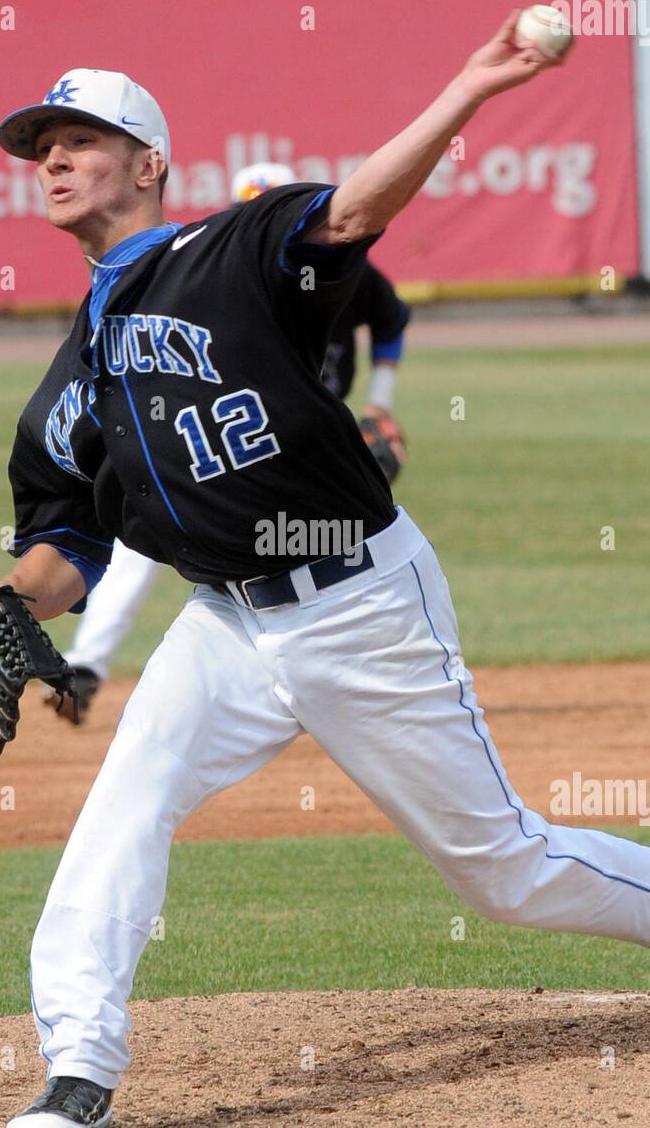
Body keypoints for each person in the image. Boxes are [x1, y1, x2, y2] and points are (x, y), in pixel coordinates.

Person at [0, 21, 650, 1128]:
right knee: (122, 809)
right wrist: (8, 599)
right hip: (225, 625)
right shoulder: (74, 371)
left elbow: (353, 211)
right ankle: (78, 1064)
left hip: (361, 607)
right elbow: (66, 541)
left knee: (501, 872)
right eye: (40, 143)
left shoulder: (230, 253)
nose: (53, 158)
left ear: (148, 166)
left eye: (83, 137)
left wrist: (471, 86)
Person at [43, 160, 411, 724]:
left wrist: (379, 403)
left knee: (333, 557)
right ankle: (89, 664)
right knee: (149, 539)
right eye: (248, 207)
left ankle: (362, 683)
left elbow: (390, 322)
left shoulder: (343, 267)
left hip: (304, 452)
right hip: (218, 442)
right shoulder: (216, 278)